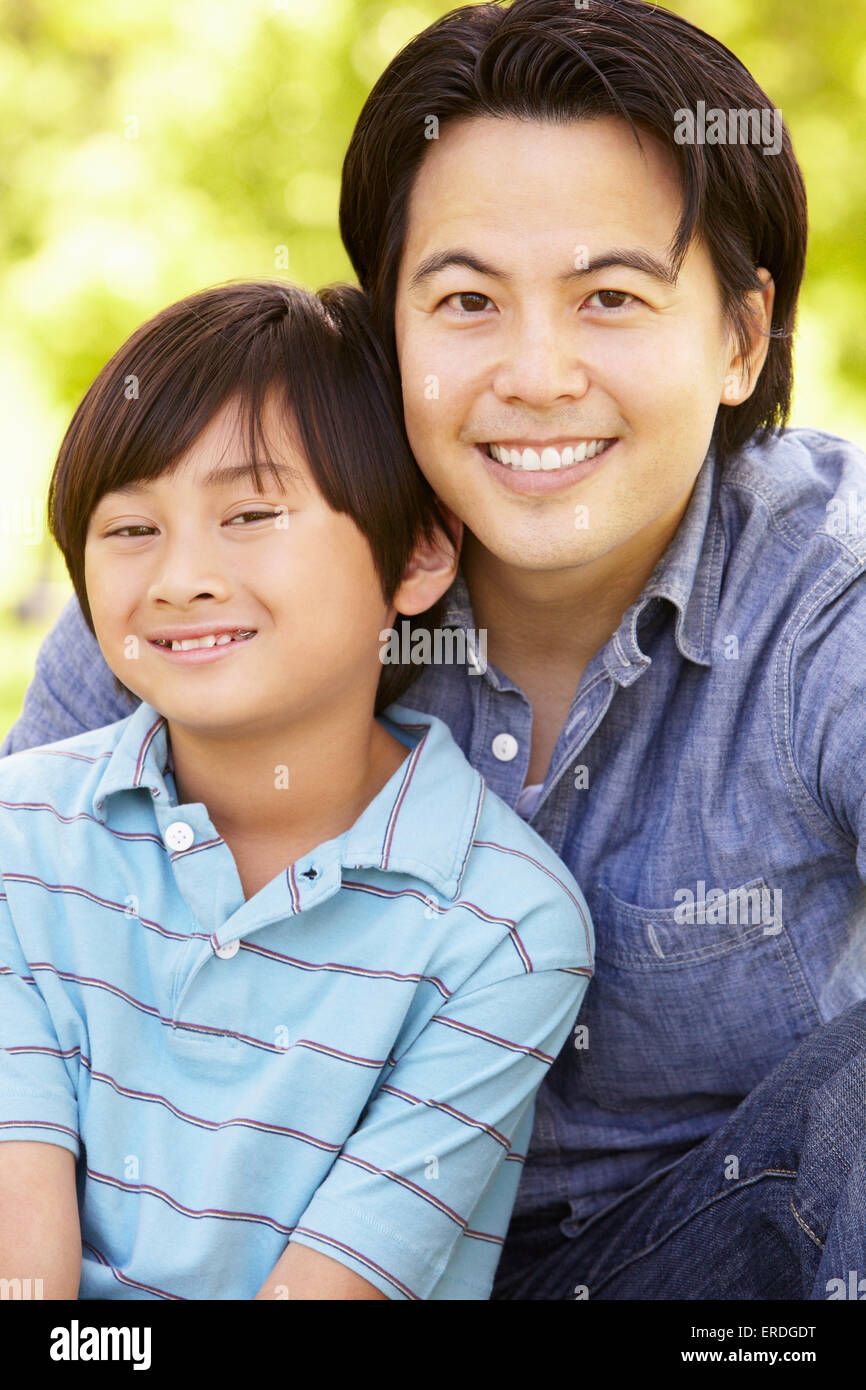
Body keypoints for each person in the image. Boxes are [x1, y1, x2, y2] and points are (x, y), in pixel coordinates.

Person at [4, 0, 866, 1301]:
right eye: (465, 298)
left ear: (741, 337)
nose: (533, 371)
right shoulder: (208, 586)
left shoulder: (827, 596)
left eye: (609, 296)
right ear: (387, 323)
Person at [0, 278, 594, 1301]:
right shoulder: (26, 835)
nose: (180, 576)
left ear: (414, 555)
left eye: (250, 512)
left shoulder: (501, 928)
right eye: (130, 529)